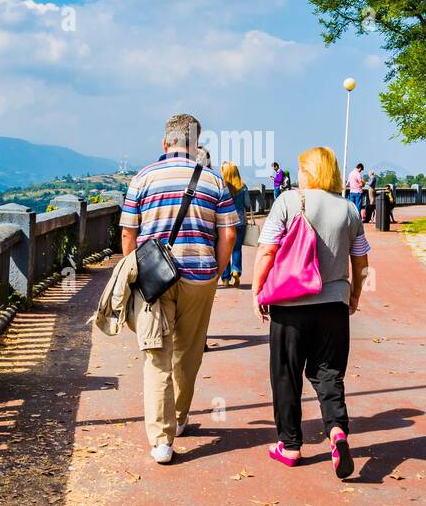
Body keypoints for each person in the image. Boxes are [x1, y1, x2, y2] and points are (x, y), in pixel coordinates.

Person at [121, 114, 238, 464]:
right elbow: (229, 233)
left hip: (154, 279)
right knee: (187, 353)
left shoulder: (142, 179)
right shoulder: (214, 180)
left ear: (165, 143)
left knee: (156, 355)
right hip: (199, 277)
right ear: (196, 144)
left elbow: (128, 233)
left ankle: (161, 441)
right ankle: (181, 417)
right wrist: (215, 271)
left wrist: (137, 272)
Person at [251, 146, 369, 479]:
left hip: (290, 304)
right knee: (329, 373)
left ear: (308, 171)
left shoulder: (288, 201)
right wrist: (354, 295)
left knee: (286, 373)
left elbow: (266, 251)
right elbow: (360, 261)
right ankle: (336, 431)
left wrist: (258, 291)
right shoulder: (349, 211)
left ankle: (289, 446)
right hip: (333, 305)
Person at [220, 161, 248, 287]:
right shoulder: (243, 187)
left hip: (224, 222)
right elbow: (247, 204)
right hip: (240, 221)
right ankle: (236, 270)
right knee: (236, 248)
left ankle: (225, 278)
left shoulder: (221, 187)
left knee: (224, 248)